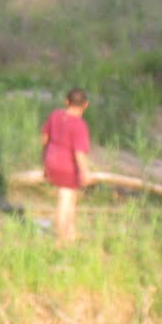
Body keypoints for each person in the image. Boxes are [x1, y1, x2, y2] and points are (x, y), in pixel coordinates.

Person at [41, 88, 93, 244]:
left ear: (66, 101)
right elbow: (79, 153)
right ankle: (61, 238)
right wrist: (85, 172)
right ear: (86, 105)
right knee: (65, 198)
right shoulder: (79, 125)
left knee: (71, 197)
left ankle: (70, 231)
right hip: (67, 166)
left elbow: (44, 137)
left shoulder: (55, 115)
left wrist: (44, 157)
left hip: (52, 160)